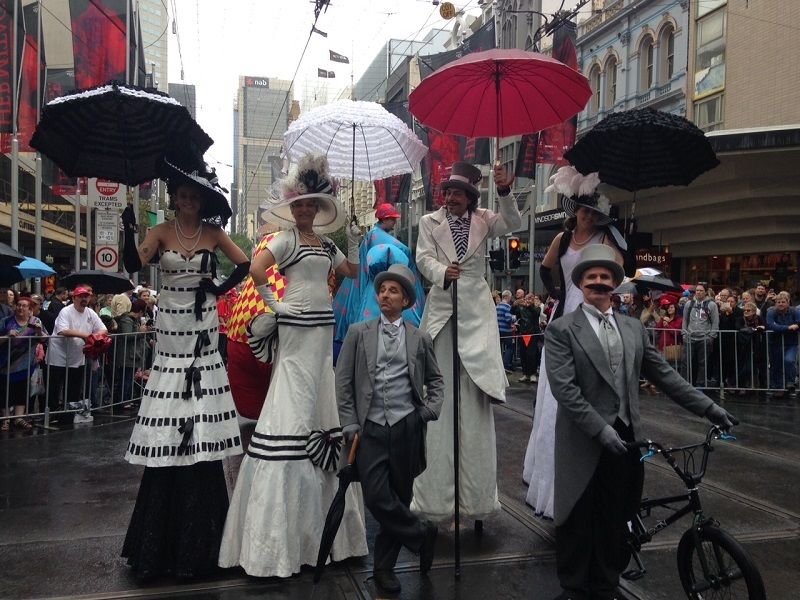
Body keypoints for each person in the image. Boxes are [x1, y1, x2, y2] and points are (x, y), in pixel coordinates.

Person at [545, 244, 737, 600]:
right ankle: (574, 588)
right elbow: (565, 390)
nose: (599, 282)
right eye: (591, 277)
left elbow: (666, 376)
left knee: (615, 516)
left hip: (627, 436)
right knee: (579, 516)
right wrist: (599, 429)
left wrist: (710, 408)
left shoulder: (633, 329)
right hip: (584, 437)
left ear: (615, 284)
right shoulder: (562, 330)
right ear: (581, 284)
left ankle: (604, 585)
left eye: (605, 277)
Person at [219, 154, 368, 577]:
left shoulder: (327, 245)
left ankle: (326, 528)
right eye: (301, 204)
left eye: (312, 205)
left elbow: (351, 273)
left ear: (321, 209)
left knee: (321, 398)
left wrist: (355, 238)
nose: (306, 210)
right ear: (294, 207)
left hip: (322, 332)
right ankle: (275, 537)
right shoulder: (283, 241)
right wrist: (275, 305)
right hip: (296, 329)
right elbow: (256, 269)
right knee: (292, 401)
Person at [120, 158, 250, 580]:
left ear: (201, 200)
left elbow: (245, 263)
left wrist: (219, 287)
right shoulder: (159, 232)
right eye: (183, 196)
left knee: (201, 399)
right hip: (171, 325)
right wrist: (127, 229)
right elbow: (135, 266)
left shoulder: (213, 233)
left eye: (195, 197)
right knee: (170, 399)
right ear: (175, 198)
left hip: (204, 325)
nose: (189, 201)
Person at [410, 161, 521, 524]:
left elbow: (513, 224)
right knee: (437, 398)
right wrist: (442, 273)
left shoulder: (486, 218)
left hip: (475, 315)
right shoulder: (429, 222)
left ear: (471, 196)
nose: (451, 198)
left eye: (458, 192)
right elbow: (422, 257)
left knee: (473, 405)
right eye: (447, 192)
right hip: (442, 312)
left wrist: (504, 191)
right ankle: (435, 498)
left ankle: (474, 499)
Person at [522, 166, 626, 520]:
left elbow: (620, 275)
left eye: (593, 212)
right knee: (557, 396)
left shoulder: (607, 241)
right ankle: (554, 481)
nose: (587, 216)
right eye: (583, 210)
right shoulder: (562, 240)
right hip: (565, 316)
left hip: (596, 313)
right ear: (574, 210)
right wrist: (557, 294)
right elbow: (546, 269)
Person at [336, 264, 444, 594]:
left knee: (399, 495)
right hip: (369, 429)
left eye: (393, 291)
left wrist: (428, 412)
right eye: (382, 290)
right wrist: (350, 422)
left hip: (406, 427)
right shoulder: (358, 332)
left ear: (407, 300)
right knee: (377, 496)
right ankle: (420, 533)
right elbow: (343, 383)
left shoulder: (420, 338)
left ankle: (385, 569)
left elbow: (436, 381)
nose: (385, 295)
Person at [332, 202, 426, 361]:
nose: (395, 223)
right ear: (385, 219)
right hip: (380, 283)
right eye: (392, 219)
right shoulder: (376, 235)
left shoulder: (374, 235)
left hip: (375, 285)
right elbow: (402, 250)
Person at [45, 286, 107, 424]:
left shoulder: (90, 313)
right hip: (59, 355)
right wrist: (86, 336)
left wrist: (95, 337)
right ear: (74, 298)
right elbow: (63, 330)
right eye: (81, 296)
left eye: (86, 296)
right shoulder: (66, 311)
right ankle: (52, 415)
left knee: (74, 386)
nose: (84, 299)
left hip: (77, 355)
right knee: (54, 386)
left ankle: (69, 414)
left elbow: (103, 329)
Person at [0, 297, 45, 431]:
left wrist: (38, 331)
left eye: (24, 306)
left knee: (21, 390)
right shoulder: (6, 321)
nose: (20, 308)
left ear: (30, 309)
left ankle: (18, 418)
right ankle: (5, 419)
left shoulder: (35, 322)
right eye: (18, 305)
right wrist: (7, 336)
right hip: (5, 364)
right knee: (4, 391)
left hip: (25, 364)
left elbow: (44, 339)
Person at [681, 282, 719, 387]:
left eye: (701, 290)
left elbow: (715, 322)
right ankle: (684, 384)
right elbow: (684, 320)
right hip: (689, 337)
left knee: (702, 363)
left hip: (704, 338)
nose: (698, 292)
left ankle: (700, 385)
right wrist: (684, 333)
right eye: (697, 290)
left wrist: (710, 337)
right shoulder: (689, 304)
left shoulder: (712, 305)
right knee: (686, 362)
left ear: (705, 292)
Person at [113, 299, 148, 409]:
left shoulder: (133, 320)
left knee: (129, 378)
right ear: (141, 311)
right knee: (125, 378)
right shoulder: (126, 320)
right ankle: (122, 401)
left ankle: (127, 399)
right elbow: (128, 335)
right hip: (127, 354)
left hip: (133, 354)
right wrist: (140, 331)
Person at [765, 291, 799, 398]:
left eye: (783, 302)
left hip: (791, 343)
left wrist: (779, 327)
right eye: (778, 302)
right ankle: (779, 387)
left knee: (789, 360)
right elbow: (771, 326)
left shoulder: (795, 311)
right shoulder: (771, 311)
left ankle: (790, 383)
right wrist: (788, 327)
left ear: (788, 302)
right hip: (775, 343)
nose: (780, 304)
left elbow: (798, 324)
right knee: (776, 365)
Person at [516, 293, 542, 383]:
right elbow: (513, 312)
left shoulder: (536, 307)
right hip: (523, 333)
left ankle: (533, 374)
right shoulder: (521, 307)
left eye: (531, 298)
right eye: (527, 298)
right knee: (523, 354)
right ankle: (525, 374)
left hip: (533, 334)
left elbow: (536, 314)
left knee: (532, 355)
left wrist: (529, 306)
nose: (528, 300)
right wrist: (514, 304)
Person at [496, 290, 515, 372]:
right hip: (507, 330)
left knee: (499, 348)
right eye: (510, 297)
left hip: (498, 330)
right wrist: (514, 318)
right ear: (508, 297)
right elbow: (508, 319)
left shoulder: (497, 306)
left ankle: (498, 365)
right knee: (510, 347)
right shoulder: (507, 307)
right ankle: (506, 365)